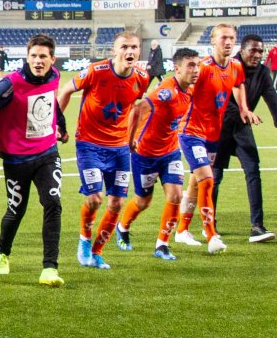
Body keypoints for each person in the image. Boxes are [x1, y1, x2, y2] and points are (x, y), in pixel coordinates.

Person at [0, 34, 68, 286]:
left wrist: (61, 127)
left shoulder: (54, 76)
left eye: (43, 56)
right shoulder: (10, 84)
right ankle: (2, 252)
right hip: (16, 159)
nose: (38, 61)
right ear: (27, 57)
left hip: (47, 153)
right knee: (16, 210)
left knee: (53, 203)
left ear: (52, 59)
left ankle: (49, 268)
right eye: (33, 56)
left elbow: (52, 102)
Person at [57, 30, 147, 271]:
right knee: (95, 198)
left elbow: (136, 107)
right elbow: (65, 90)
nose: (130, 52)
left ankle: (96, 253)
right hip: (89, 144)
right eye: (125, 47)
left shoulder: (142, 77)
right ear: (114, 50)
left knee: (117, 203)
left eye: (135, 47)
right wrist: (58, 124)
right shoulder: (96, 72)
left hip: (119, 149)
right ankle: (84, 241)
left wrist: (132, 137)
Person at [175, 23, 256, 253]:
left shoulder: (236, 66)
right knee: (207, 180)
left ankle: (181, 231)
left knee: (194, 182)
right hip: (191, 131)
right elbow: (182, 89)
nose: (228, 42)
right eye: (223, 38)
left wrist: (243, 108)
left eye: (231, 38)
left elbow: (238, 84)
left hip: (212, 134)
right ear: (213, 41)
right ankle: (211, 236)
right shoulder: (202, 68)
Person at [116, 48, 201, 260]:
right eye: (190, 66)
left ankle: (162, 245)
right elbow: (138, 109)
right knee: (143, 201)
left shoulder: (190, 90)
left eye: (197, 65)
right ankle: (122, 227)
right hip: (145, 154)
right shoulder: (166, 91)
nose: (195, 70)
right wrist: (130, 139)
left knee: (175, 196)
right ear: (177, 68)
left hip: (170, 152)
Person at [209, 33, 277, 243]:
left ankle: (257, 226)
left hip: (243, 128)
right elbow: (221, 98)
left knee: (253, 172)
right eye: (253, 50)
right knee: (215, 177)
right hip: (219, 129)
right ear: (242, 50)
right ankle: (209, 224)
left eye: (260, 51)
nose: (257, 55)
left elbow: (272, 97)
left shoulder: (263, 72)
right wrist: (243, 112)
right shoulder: (228, 66)